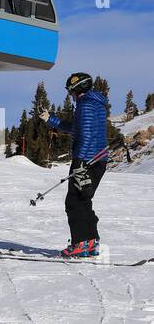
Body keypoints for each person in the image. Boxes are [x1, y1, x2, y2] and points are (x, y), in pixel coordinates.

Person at [39, 72, 110, 258]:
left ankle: (81, 244)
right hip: (95, 159)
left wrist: (79, 162)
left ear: (77, 89)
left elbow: (85, 135)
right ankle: (90, 242)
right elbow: (76, 129)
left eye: (70, 91)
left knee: (74, 201)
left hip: (87, 160)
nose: (69, 95)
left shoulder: (86, 105)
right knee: (82, 199)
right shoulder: (93, 104)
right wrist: (50, 119)